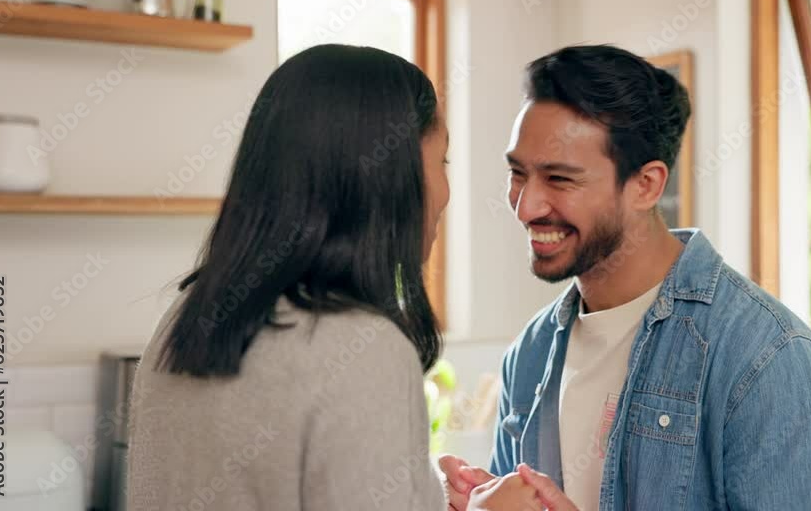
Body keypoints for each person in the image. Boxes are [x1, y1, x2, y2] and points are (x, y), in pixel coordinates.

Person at [127, 44, 557, 511]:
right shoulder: (362, 349)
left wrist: (417, 489)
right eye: (442, 162)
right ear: (395, 178)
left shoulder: (184, 319)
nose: (445, 192)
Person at [440, 44, 811, 510]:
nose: (526, 205)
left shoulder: (765, 356)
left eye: (559, 179)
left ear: (646, 185)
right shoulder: (531, 353)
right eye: (518, 173)